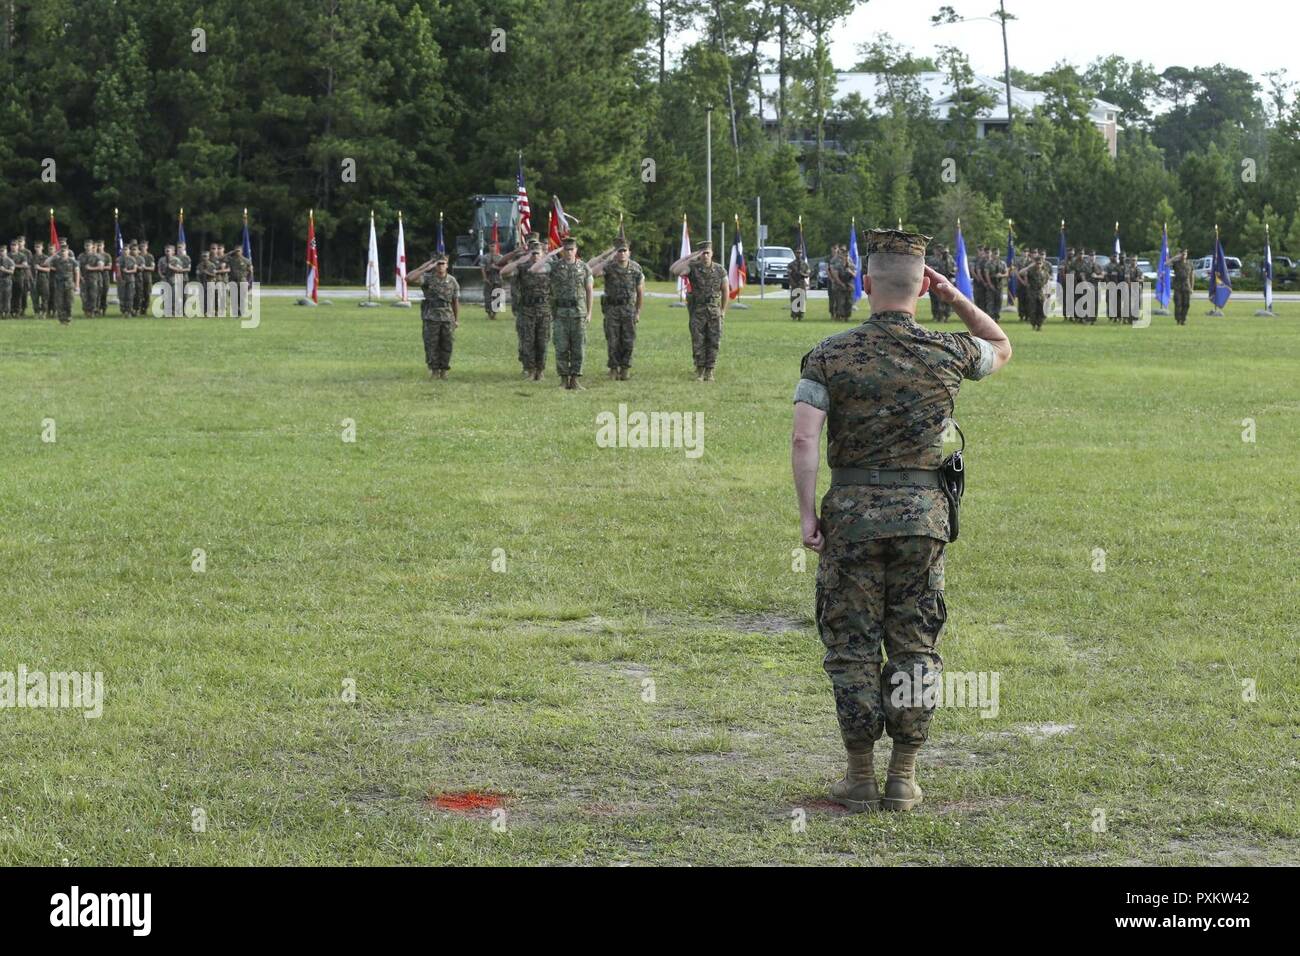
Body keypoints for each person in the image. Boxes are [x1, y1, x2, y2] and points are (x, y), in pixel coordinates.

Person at [792, 228, 1012, 814]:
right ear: (922, 289)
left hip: (852, 518)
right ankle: (904, 777)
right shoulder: (948, 349)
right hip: (923, 519)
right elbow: (1002, 345)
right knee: (915, 642)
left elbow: (803, 437)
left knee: (852, 644)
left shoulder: (829, 354)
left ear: (866, 285)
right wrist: (959, 298)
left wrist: (808, 513)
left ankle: (859, 776)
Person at [532, 236, 593, 390]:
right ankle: (563, 379)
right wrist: (550, 254)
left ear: (576, 250)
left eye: (571, 249)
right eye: (566, 249)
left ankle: (575, 379)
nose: (569, 252)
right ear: (562, 250)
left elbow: (589, 290)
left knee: (578, 347)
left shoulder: (584, 268)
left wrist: (590, 312)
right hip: (560, 313)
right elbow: (534, 269)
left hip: (579, 313)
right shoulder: (555, 266)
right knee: (561, 347)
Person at [670, 240, 729, 381]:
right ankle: (700, 370)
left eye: (707, 253)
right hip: (697, 311)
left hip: (714, 311)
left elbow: (726, 290)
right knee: (698, 341)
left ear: (712, 254)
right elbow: (675, 270)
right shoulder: (693, 267)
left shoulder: (720, 270)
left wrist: (723, 310)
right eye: (702, 253)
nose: (705, 256)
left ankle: (710, 370)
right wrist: (691, 257)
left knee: (714, 341)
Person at [589, 237, 644, 381]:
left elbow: (640, 292)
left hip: (628, 309)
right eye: (619, 251)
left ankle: (625, 368)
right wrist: (608, 258)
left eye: (624, 251)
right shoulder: (609, 267)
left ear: (629, 253)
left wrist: (638, 312)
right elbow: (593, 273)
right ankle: (613, 368)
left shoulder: (635, 268)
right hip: (612, 309)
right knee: (612, 340)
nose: (622, 254)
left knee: (628, 340)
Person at [500, 238, 549, 380]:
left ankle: (540, 370)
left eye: (537, 253)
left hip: (544, 309)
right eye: (532, 253)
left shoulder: (549, 267)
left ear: (542, 254)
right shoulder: (522, 267)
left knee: (542, 341)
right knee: (528, 341)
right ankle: (530, 370)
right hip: (527, 309)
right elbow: (503, 272)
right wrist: (521, 260)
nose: (535, 256)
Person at [408, 252, 460, 379]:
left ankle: (444, 370)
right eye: (438, 264)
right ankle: (434, 370)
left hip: (447, 317)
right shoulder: (427, 278)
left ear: (447, 265)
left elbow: (455, 301)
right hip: (431, 316)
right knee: (432, 344)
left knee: (447, 344)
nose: (440, 266)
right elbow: (409, 279)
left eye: (443, 264)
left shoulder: (452, 281)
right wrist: (425, 268)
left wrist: (456, 319)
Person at [479, 246, 504, 320]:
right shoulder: (485, 257)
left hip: (497, 278)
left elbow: (504, 268)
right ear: (489, 247)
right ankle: (489, 312)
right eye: (491, 246)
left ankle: (494, 313)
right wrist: (485, 278)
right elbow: (482, 268)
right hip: (489, 278)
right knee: (487, 297)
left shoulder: (500, 257)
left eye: (494, 246)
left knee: (497, 297)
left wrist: (496, 267)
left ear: (496, 247)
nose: (492, 248)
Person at [788, 247, 811, 321]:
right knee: (794, 299)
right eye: (797, 253)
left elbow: (807, 274)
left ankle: (800, 315)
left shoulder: (805, 264)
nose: (798, 254)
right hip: (794, 283)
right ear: (795, 254)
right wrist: (792, 283)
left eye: (800, 253)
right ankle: (794, 315)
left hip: (801, 283)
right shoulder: (791, 264)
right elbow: (789, 274)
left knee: (802, 300)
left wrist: (802, 274)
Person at [1171, 249, 1193, 325]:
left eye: (1185, 253)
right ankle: (1178, 320)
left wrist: (1191, 287)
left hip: (1186, 287)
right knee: (1178, 304)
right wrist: (1175, 257)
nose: (1184, 255)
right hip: (1178, 287)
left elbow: (1191, 276)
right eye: (1182, 254)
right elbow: (1166, 264)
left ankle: (1183, 319)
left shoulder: (1189, 264)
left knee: (1186, 304)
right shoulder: (1176, 263)